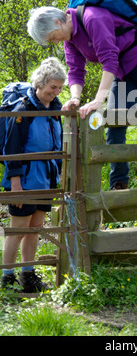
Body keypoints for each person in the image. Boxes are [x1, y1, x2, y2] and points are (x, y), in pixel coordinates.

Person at [27, 6, 137, 208]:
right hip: (123, 73)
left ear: (58, 22)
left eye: (52, 37)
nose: (56, 42)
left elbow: (109, 59)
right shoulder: (71, 39)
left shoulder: (93, 18)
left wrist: (98, 99)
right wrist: (75, 98)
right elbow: (75, 70)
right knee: (114, 126)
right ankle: (119, 185)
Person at [1, 57, 66, 292]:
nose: (56, 92)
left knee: (35, 228)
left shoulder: (55, 108)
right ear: (41, 83)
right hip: (24, 179)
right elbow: (12, 149)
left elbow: (57, 145)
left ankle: (27, 275)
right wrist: (15, 185)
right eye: (53, 87)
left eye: (60, 88)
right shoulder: (22, 109)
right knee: (18, 229)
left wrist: (57, 175)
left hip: (46, 177)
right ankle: (6, 277)